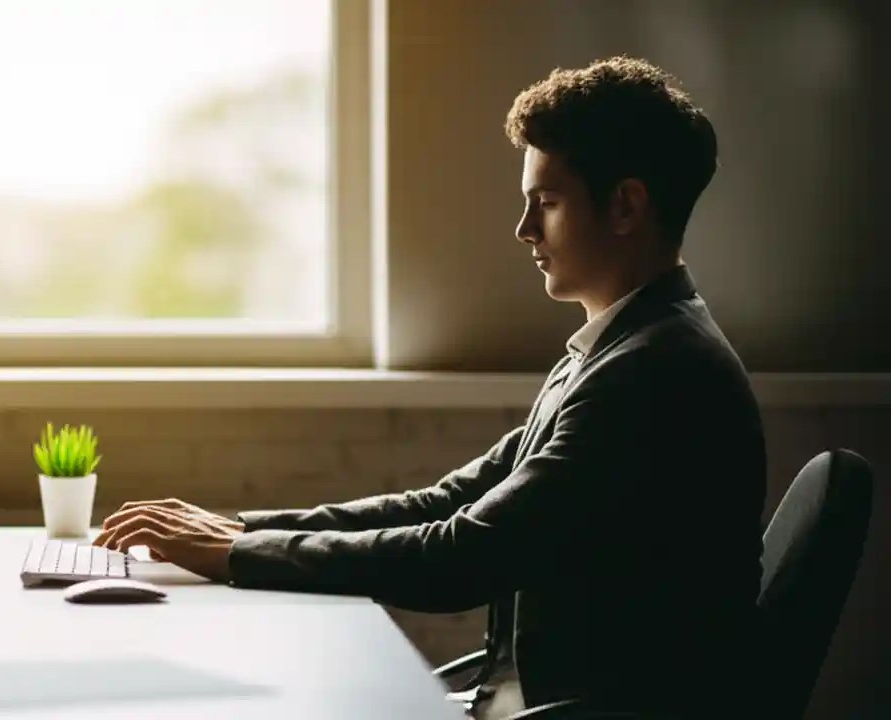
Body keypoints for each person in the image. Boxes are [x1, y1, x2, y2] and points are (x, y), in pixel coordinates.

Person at [93, 56, 765, 719]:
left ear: (625, 206)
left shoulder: (652, 374)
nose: (524, 230)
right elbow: (451, 500)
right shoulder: (617, 350)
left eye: (547, 203)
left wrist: (238, 553)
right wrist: (241, 530)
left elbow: (463, 556)